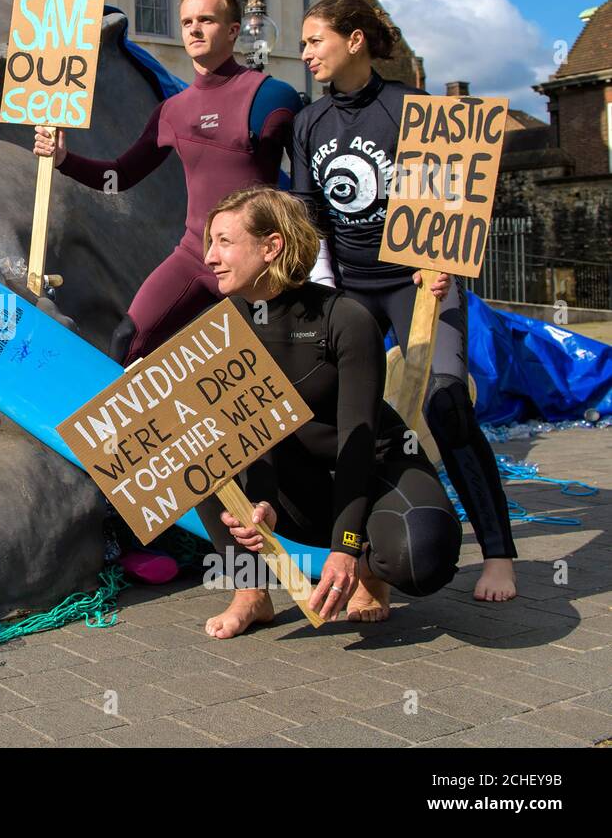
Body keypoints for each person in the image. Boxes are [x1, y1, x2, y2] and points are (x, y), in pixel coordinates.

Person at [292, 0, 518, 602]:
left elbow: (452, 205)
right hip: (349, 290)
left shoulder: (410, 109)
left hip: (419, 281)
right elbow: (309, 221)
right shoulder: (308, 123)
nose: (306, 52)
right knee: (352, 420)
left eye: (315, 40)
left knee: (446, 401)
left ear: (355, 40)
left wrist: (437, 262)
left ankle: (498, 552)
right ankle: (366, 565)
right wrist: (325, 300)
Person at [196, 186, 462, 637]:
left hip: (372, 470)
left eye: (224, 241)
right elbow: (245, 432)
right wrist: (261, 501)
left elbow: (357, 440)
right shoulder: (224, 324)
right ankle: (250, 590)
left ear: (271, 246)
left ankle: (369, 572)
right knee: (185, 445)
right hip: (299, 481)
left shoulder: (344, 318)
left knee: (422, 556)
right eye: (209, 242)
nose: (209, 256)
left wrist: (345, 547)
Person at [32, 0, 300, 365]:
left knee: (270, 368)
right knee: (128, 340)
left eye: (206, 19)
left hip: (258, 259)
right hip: (196, 253)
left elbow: (308, 186)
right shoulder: (173, 111)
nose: (194, 28)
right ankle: (124, 428)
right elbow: (120, 177)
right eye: (187, 20)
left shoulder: (274, 96)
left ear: (233, 30)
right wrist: (64, 160)